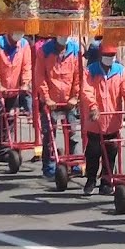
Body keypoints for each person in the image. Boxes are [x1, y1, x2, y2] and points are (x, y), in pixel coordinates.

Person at [80, 43, 125, 197]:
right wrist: (93, 107)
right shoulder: (90, 71)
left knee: (111, 152)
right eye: (107, 56)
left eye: (112, 56)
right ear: (100, 55)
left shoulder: (121, 71)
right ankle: (91, 179)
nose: (110, 59)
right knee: (93, 150)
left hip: (113, 119)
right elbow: (87, 91)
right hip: (95, 120)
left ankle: (106, 182)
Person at [36, 35, 83, 179]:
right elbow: (40, 76)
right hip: (51, 101)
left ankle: (73, 164)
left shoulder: (75, 49)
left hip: (69, 100)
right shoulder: (44, 51)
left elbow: (78, 74)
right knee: (49, 135)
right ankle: (49, 167)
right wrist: (46, 98)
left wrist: (75, 96)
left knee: (72, 134)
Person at [0, 31, 33, 164]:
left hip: (13, 89)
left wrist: (25, 83)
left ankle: (3, 151)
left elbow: (27, 66)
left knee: (9, 120)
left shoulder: (24, 44)